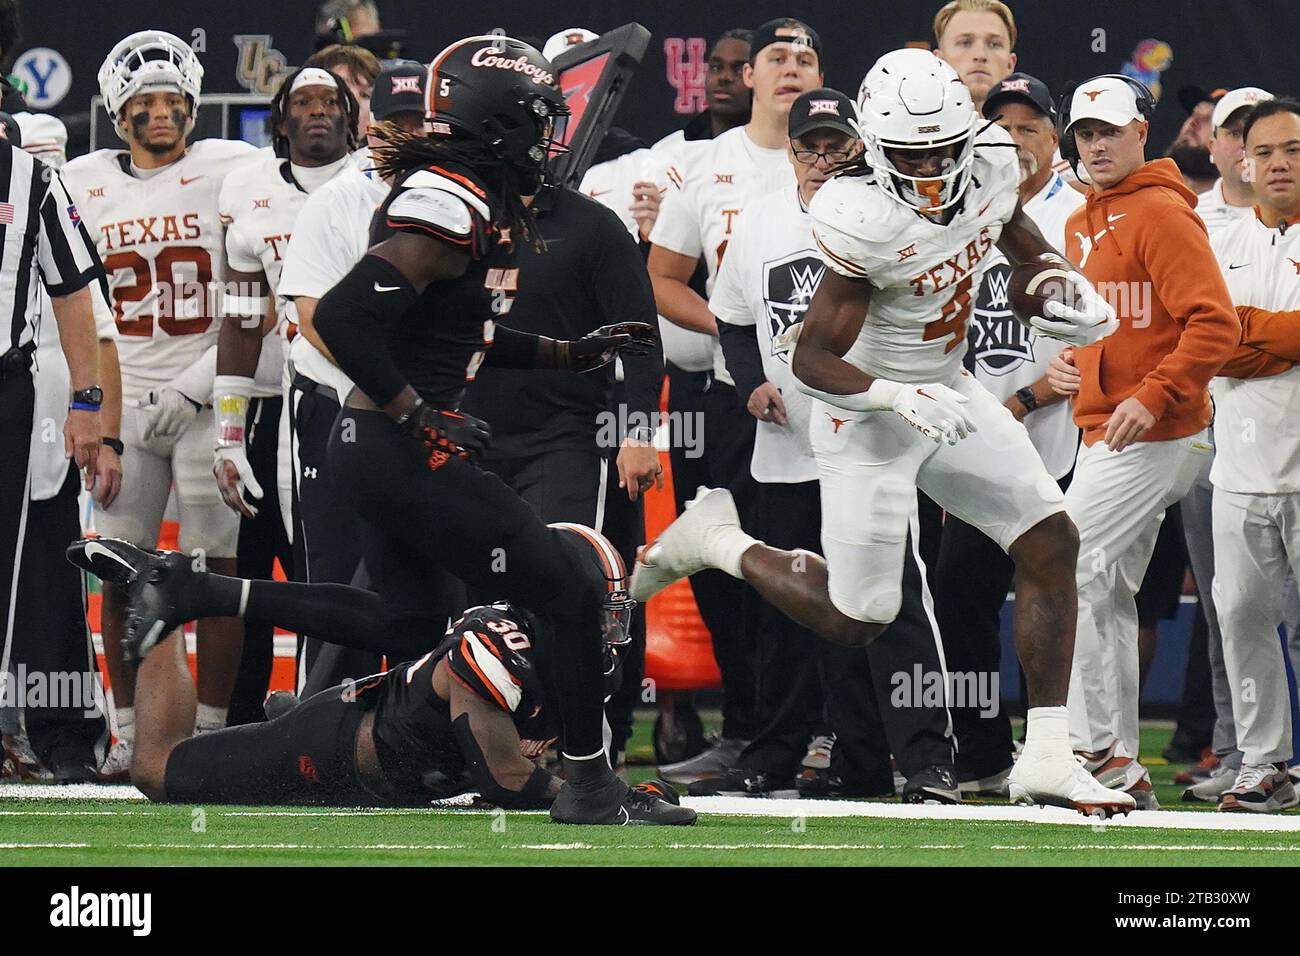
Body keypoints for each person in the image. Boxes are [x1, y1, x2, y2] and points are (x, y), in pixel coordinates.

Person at [184, 35, 678, 827]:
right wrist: (418, 412)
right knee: (569, 589)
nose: (552, 135)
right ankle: (590, 782)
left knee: (405, 622)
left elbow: (464, 332)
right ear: (499, 122)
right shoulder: (449, 197)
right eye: (538, 118)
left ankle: (200, 591)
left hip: (373, 449)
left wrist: (566, 353)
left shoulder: (464, 191)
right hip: (393, 448)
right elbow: (343, 317)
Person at [635, 48, 1135, 817]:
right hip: (858, 407)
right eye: (912, 153)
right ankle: (718, 542)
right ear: (873, 144)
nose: (932, 167)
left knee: (1051, 540)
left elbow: (1018, 242)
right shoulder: (855, 211)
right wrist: (893, 396)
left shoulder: (994, 162)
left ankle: (1043, 758)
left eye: (943, 148)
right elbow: (811, 358)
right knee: (858, 616)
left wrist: (1056, 289)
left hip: (946, 385)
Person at [705, 88, 958, 801]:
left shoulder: (897, 218)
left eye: (834, 145)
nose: (820, 159)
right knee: (795, 611)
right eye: (807, 145)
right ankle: (819, 757)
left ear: (861, 147)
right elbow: (728, 318)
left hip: (873, 440)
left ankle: (927, 760)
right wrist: (749, 382)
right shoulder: (759, 221)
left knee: (893, 605)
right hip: (787, 445)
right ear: (789, 151)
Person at [64, 531, 683, 817]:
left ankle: (283, 704)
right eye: (592, 616)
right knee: (156, 770)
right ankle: (158, 594)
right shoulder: (499, 644)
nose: (605, 634)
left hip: (384, 755)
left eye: (609, 617)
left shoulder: (569, 661)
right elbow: (503, 780)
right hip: (333, 750)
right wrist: (615, 797)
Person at [59, 30, 257, 776]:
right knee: (120, 566)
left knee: (215, 566)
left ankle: (208, 731)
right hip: (123, 404)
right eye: (147, 103)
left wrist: (198, 383)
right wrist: (102, 422)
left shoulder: (231, 169)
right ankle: (127, 731)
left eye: (175, 101)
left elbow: (251, 295)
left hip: (208, 397)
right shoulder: (84, 182)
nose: (163, 113)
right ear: (119, 113)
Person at [1046, 75, 1239, 807]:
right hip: (1108, 425)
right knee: (1105, 591)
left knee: (1069, 565)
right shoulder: (1079, 222)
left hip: (1159, 428)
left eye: (1109, 131)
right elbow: (1109, 322)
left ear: (1141, 134)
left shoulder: (1160, 211)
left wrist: (1152, 393)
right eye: (1084, 133)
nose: (1096, 144)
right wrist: (1075, 359)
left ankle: (1093, 750)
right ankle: (1117, 759)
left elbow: (1215, 324)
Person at [647, 17, 823, 783]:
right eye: (776, 58)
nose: (791, 68)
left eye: (805, 58)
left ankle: (817, 732)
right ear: (746, 76)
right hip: (727, 394)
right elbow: (660, 277)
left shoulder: (844, 157)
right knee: (725, 565)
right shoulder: (708, 166)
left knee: (813, 563)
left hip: (827, 398)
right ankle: (745, 727)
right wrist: (732, 332)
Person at [933, 72, 1083, 795]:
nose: (1015, 140)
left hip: (1070, 445)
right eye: (1002, 127)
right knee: (961, 598)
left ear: (1057, 137)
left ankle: (1055, 743)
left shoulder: (1080, 213)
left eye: (1030, 126)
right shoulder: (958, 211)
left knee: (1059, 583)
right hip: (977, 439)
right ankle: (983, 755)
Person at [277, 60, 428, 696]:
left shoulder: (468, 199)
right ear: (370, 129)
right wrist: (391, 389)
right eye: (396, 125)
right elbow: (313, 316)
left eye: (422, 124)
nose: (409, 137)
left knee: (423, 577)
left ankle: (424, 725)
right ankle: (323, 724)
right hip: (341, 406)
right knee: (340, 575)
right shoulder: (339, 200)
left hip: (427, 413)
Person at [0, 130, 109, 782]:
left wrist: (87, 403)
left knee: (3, 572)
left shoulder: (32, 179)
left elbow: (71, 293)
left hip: (6, 388)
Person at [1205, 97, 1300, 812]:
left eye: (1293, 150)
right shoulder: (1218, 241)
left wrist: (1244, 338)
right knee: (1240, 619)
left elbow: (1234, 340)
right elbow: (1205, 342)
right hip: (1236, 468)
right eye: (1265, 151)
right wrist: (1270, 339)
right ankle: (1264, 762)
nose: (1279, 163)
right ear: (1245, 160)